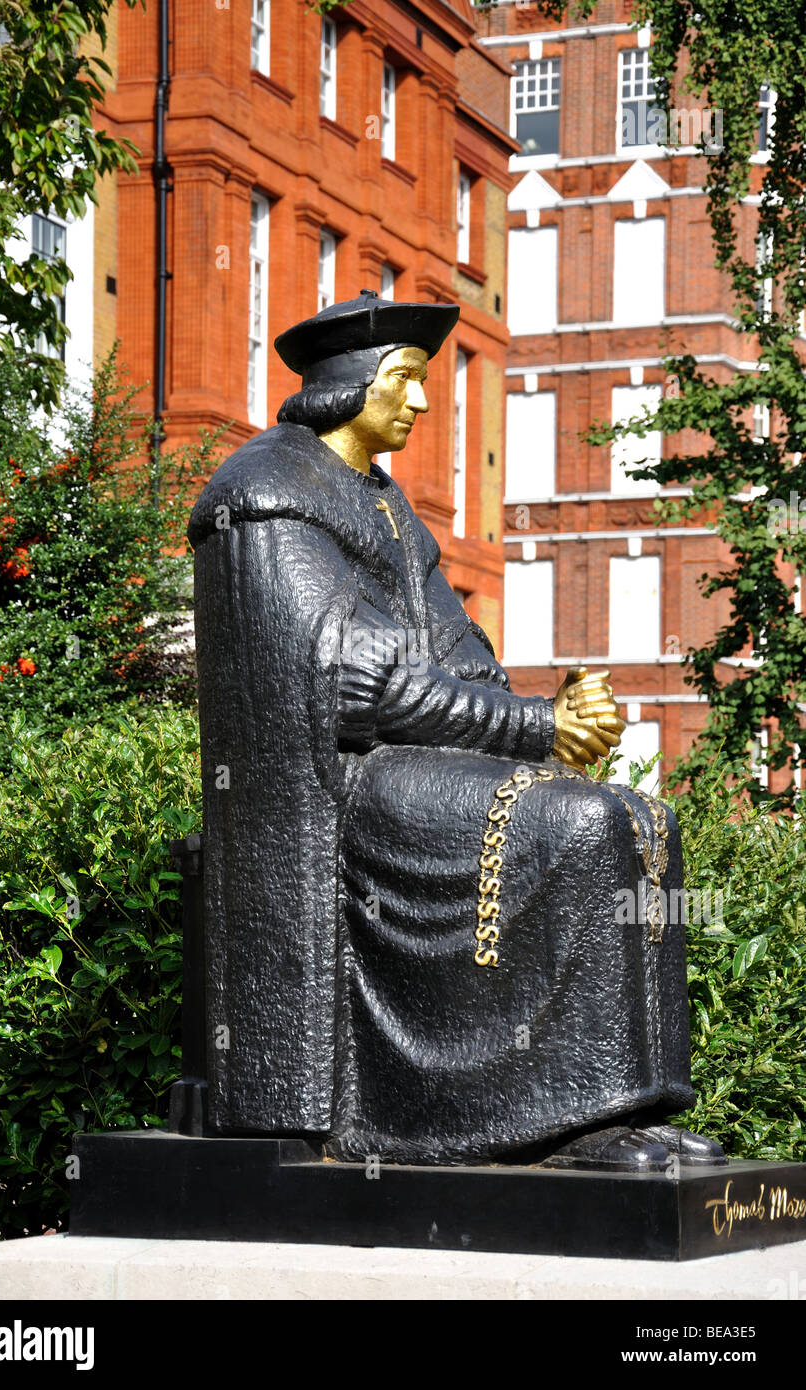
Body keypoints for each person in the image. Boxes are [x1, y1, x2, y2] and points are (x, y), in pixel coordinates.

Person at [187, 291, 725, 1170]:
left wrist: (558, 722)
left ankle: (634, 1105)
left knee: (638, 816)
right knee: (580, 824)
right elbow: (358, 688)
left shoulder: (392, 511)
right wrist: (534, 727)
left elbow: (460, 661)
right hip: (330, 792)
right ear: (345, 386)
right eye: (403, 379)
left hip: (405, 763)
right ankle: (564, 1120)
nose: (423, 401)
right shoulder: (265, 492)